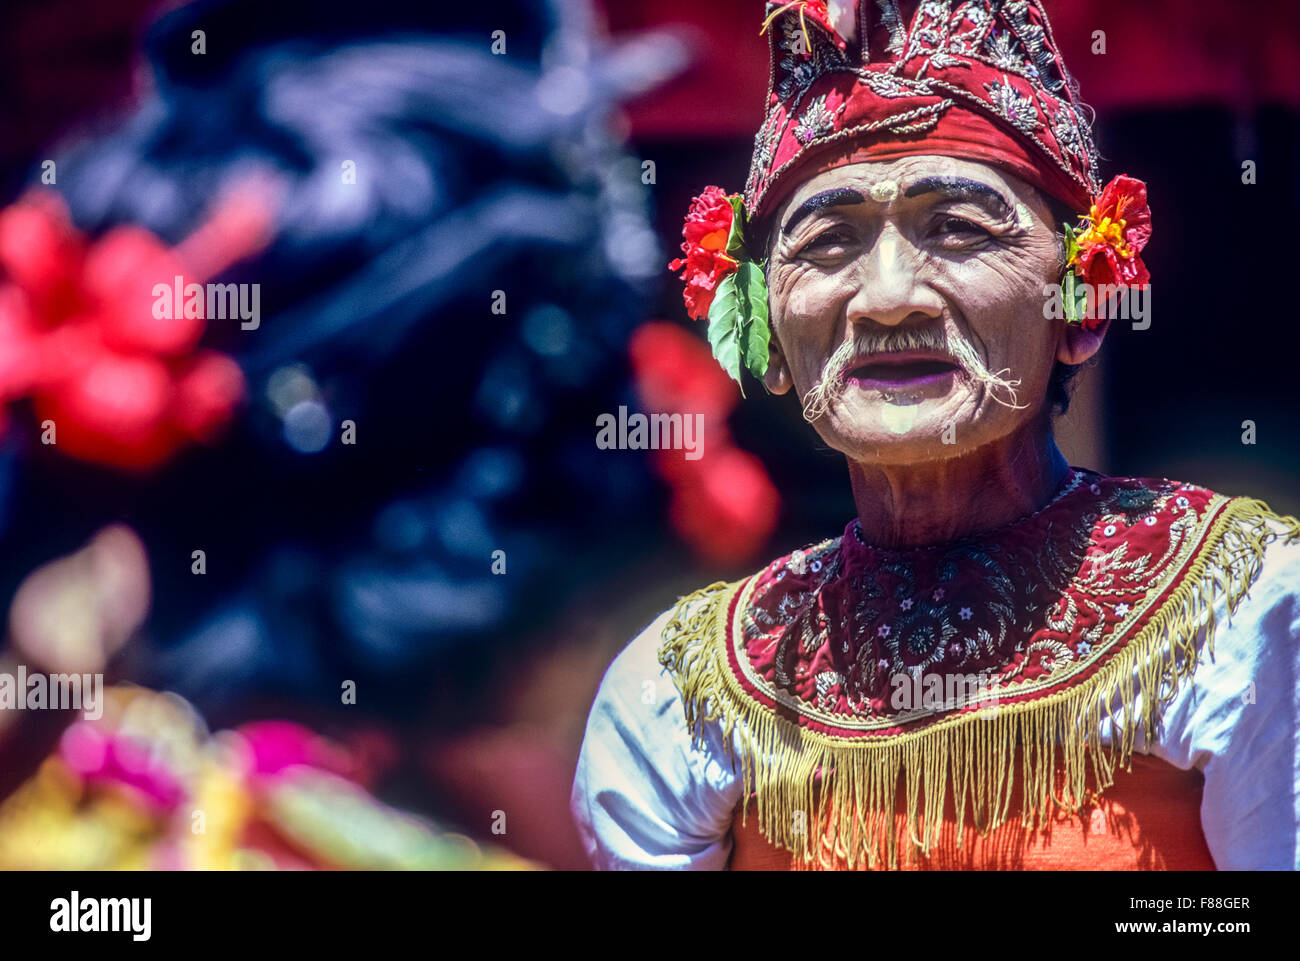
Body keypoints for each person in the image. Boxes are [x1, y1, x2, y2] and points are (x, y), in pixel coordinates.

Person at [570, 0, 1300, 870]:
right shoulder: (677, 693)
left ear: (1082, 303)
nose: (888, 296)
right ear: (764, 336)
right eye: (828, 242)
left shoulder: (1242, 608)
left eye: (957, 228)